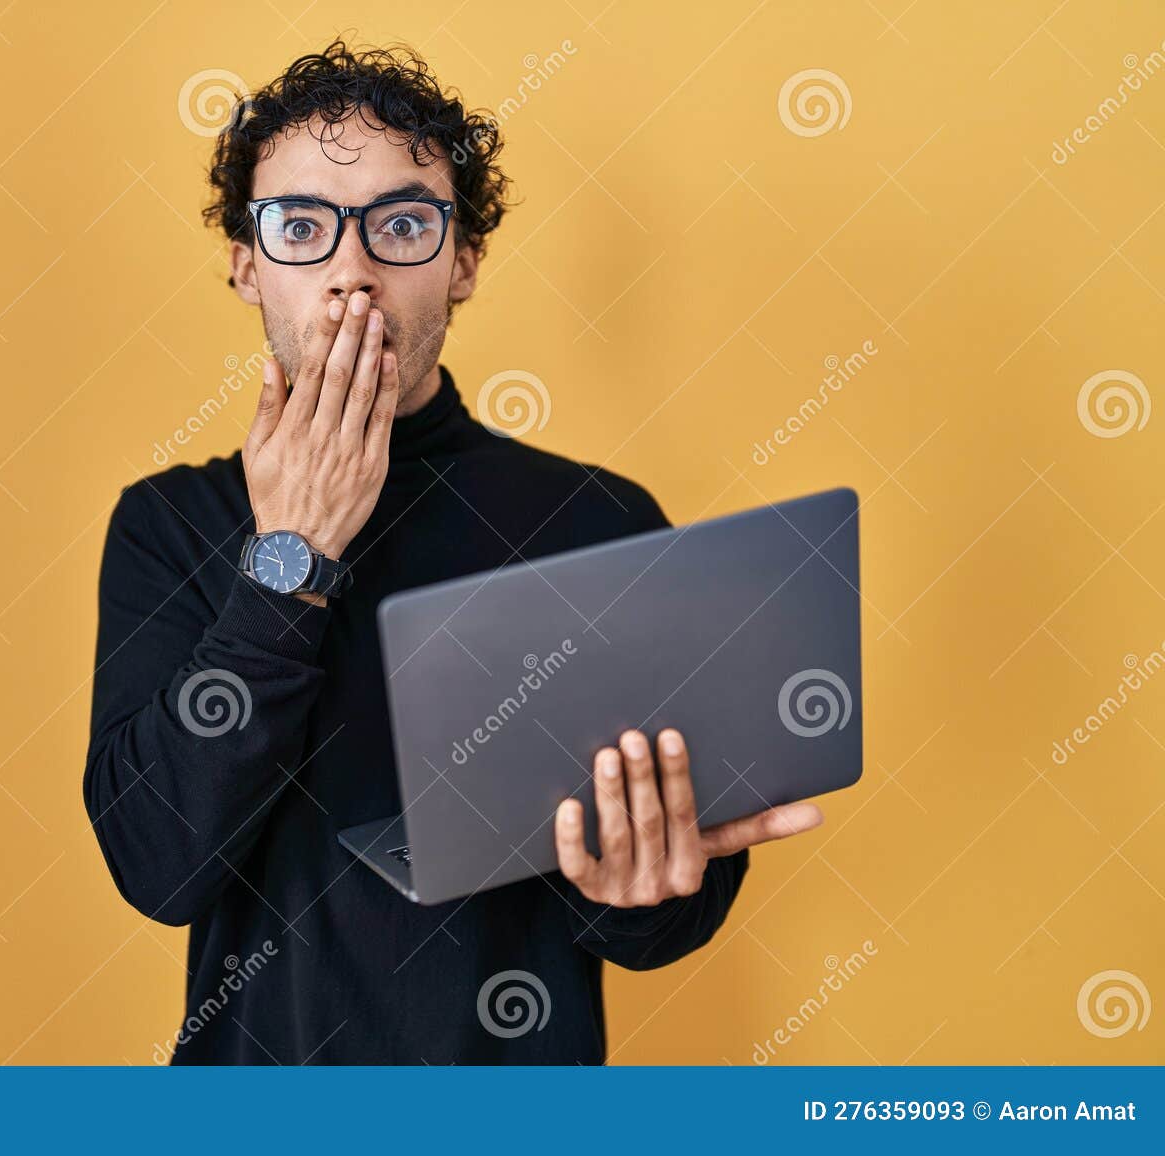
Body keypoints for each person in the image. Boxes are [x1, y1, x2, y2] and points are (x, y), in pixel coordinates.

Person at [82, 39, 824, 1064]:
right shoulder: (170, 524)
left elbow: (662, 918)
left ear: (461, 261)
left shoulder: (596, 521)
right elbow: (158, 864)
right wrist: (290, 556)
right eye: (300, 226)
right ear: (246, 265)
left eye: (399, 224)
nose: (350, 272)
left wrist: (638, 891)